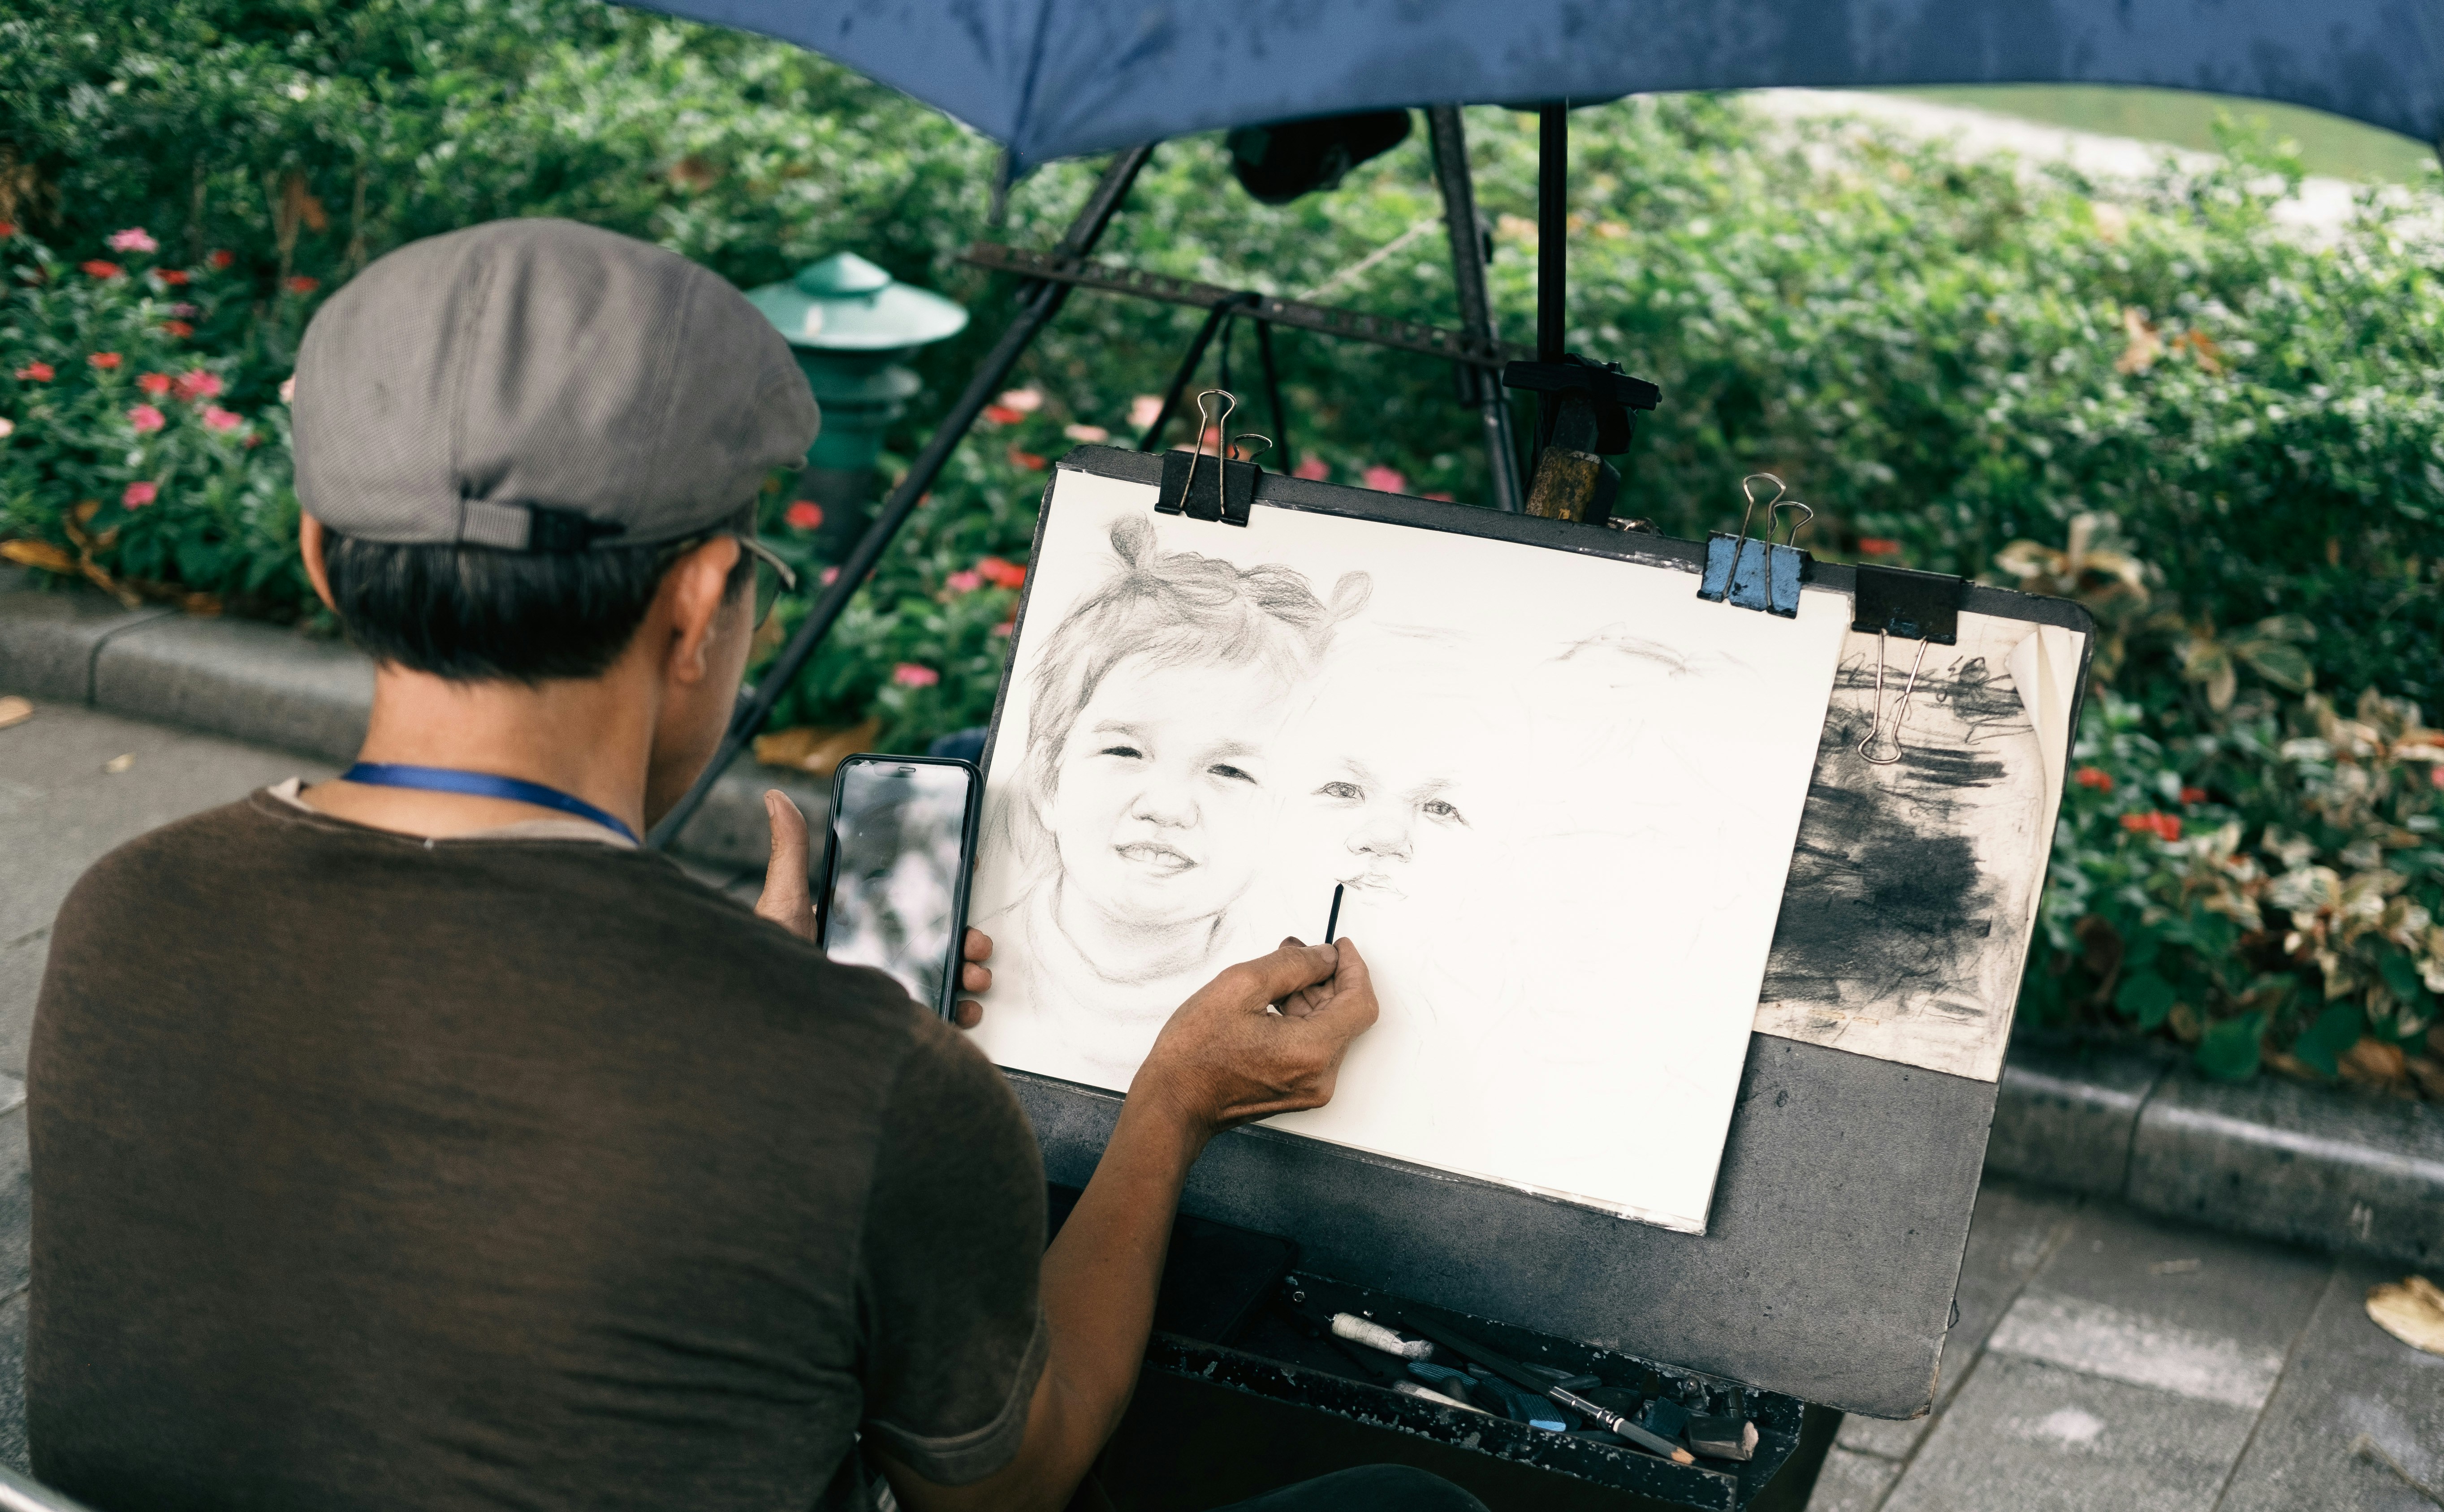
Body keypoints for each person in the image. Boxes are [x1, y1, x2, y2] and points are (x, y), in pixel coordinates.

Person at [28, 219, 1477, 1512]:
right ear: (704, 604)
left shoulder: (128, 914)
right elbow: (1011, 1474)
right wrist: (1172, 1098)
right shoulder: (861, 1078)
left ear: (323, 558)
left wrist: (772, 1031)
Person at [967, 516, 1369, 1089]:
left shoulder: (1295, 1014)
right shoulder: (964, 961)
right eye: (1125, 750)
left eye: (1230, 770)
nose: (1168, 806)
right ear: (1048, 781)